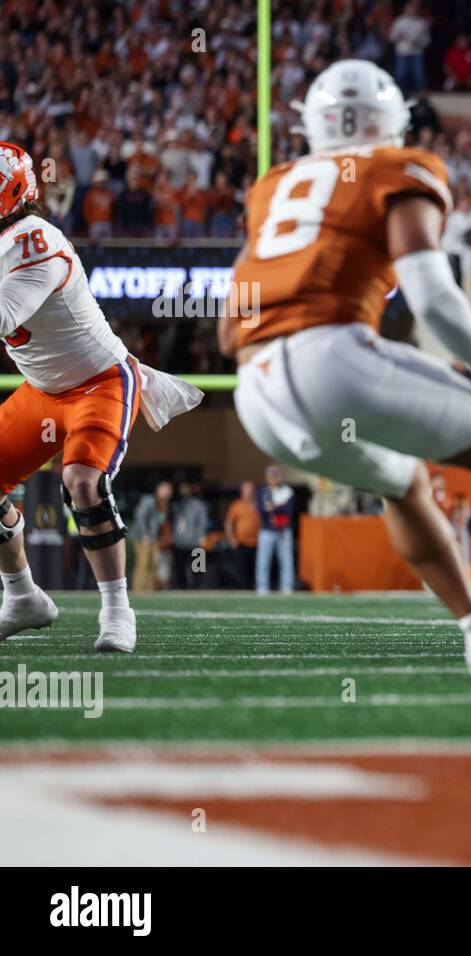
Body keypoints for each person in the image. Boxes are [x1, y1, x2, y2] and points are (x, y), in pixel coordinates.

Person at [219, 61, 471, 678]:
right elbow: (430, 294)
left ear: (313, 124)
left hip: (256, 394)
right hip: (328, 357)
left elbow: (227, 323)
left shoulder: (272, 186)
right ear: (394, 120)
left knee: (402, 484)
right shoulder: (398, 167)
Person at [0, 142, 197, 652]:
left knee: (82, 482)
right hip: (43, 391)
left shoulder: (35, 240)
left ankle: (117, 611)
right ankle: (22, 596)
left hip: (100, 382)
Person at [255, 466, 295, 595]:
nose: (273, 478)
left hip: (283, 530)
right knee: (263, 560)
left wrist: (273, 508)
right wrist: (275, 508)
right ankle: (262, 586)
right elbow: (262, 510)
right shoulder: (263, 491)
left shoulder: (287, 491)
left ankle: (287, 586)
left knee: (286, 560)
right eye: (271, 476)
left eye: (275, 475)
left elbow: (288, 510)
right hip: (267, 529)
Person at [131, 480, 172, 592]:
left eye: (169, 491)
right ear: (159, 490)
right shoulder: (148, 500)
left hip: (153, 539)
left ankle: (149, 589)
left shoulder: (163, 504)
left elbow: (161, 521)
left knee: (153, 563)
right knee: (143, 563)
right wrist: (144, 534)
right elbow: (140, 517)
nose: (168, 493)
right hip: (142, 537)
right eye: (166, 490)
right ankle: (138, 589)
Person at [224, 480, 259, 589]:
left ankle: (254, 589)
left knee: (255, 569)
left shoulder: (259, 505)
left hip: (257, 544)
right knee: (242, 570)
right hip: (241, 543)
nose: (248, 493)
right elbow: (229, 523)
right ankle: (243, 590)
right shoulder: (237, 505)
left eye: (250, 490)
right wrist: (232, 539)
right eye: (246, 490)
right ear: (242, 491)